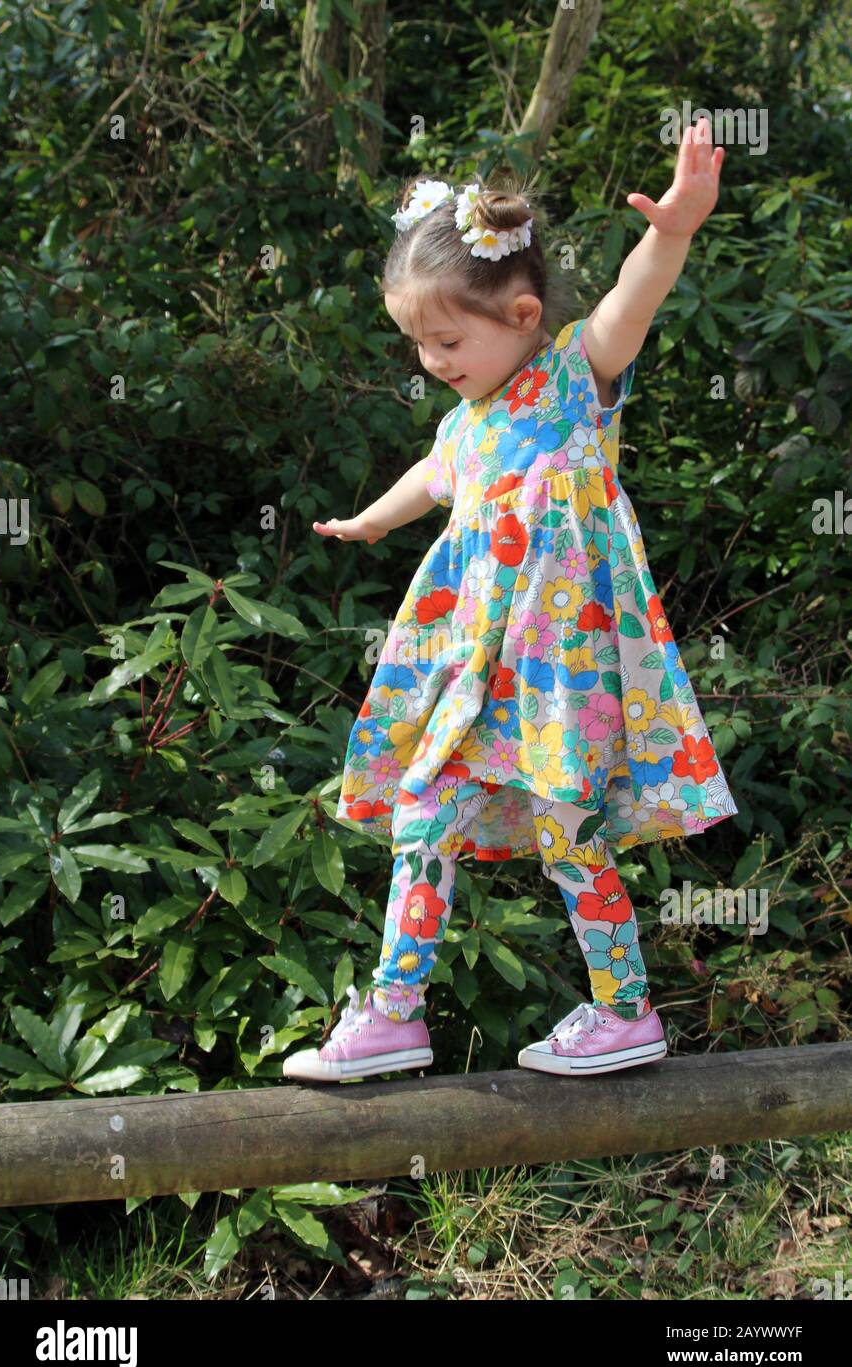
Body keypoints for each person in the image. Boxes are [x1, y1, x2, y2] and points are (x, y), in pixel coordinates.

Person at [284, 119, 738, 1084]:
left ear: (524, 312)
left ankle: (624, 1012)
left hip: (562, 670)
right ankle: (396, 1016)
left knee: (569, 833)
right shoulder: (464, 427)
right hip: (476, 671)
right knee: (421, 813)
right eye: (418, 345)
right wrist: (369, 523)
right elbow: (428, 476)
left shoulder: (574, 375)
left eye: (447, 338)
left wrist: (676, 230)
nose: (433, 361)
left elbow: (631, 300)